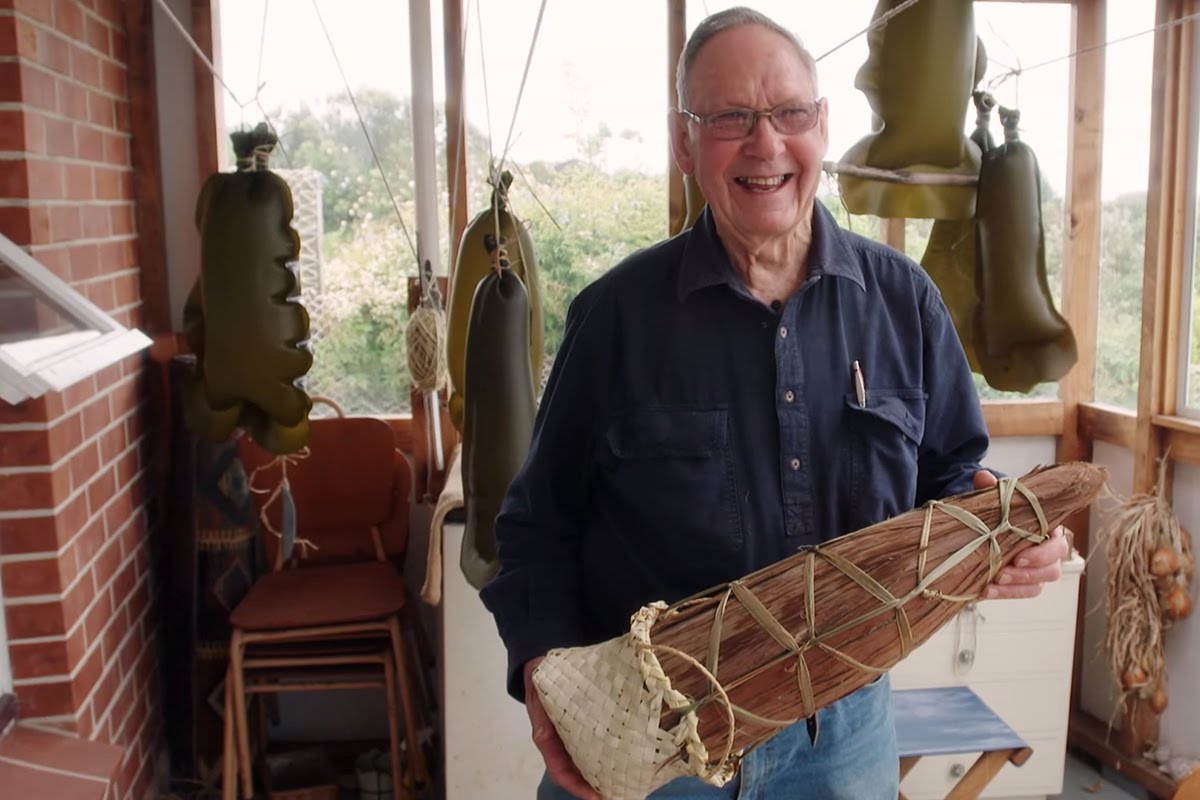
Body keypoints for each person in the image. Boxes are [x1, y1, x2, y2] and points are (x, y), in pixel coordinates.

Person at [480, 7, 1073, 799]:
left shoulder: (904, 305)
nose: (766, 143)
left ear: (822, 127)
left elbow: (953, 484)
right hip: (656, 740)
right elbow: (535, 527)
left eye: (790, 113)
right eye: (730, 117)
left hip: (844, 736)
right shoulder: (615, 318)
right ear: (685, 141)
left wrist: (1004, 535)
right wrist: (543, 675)